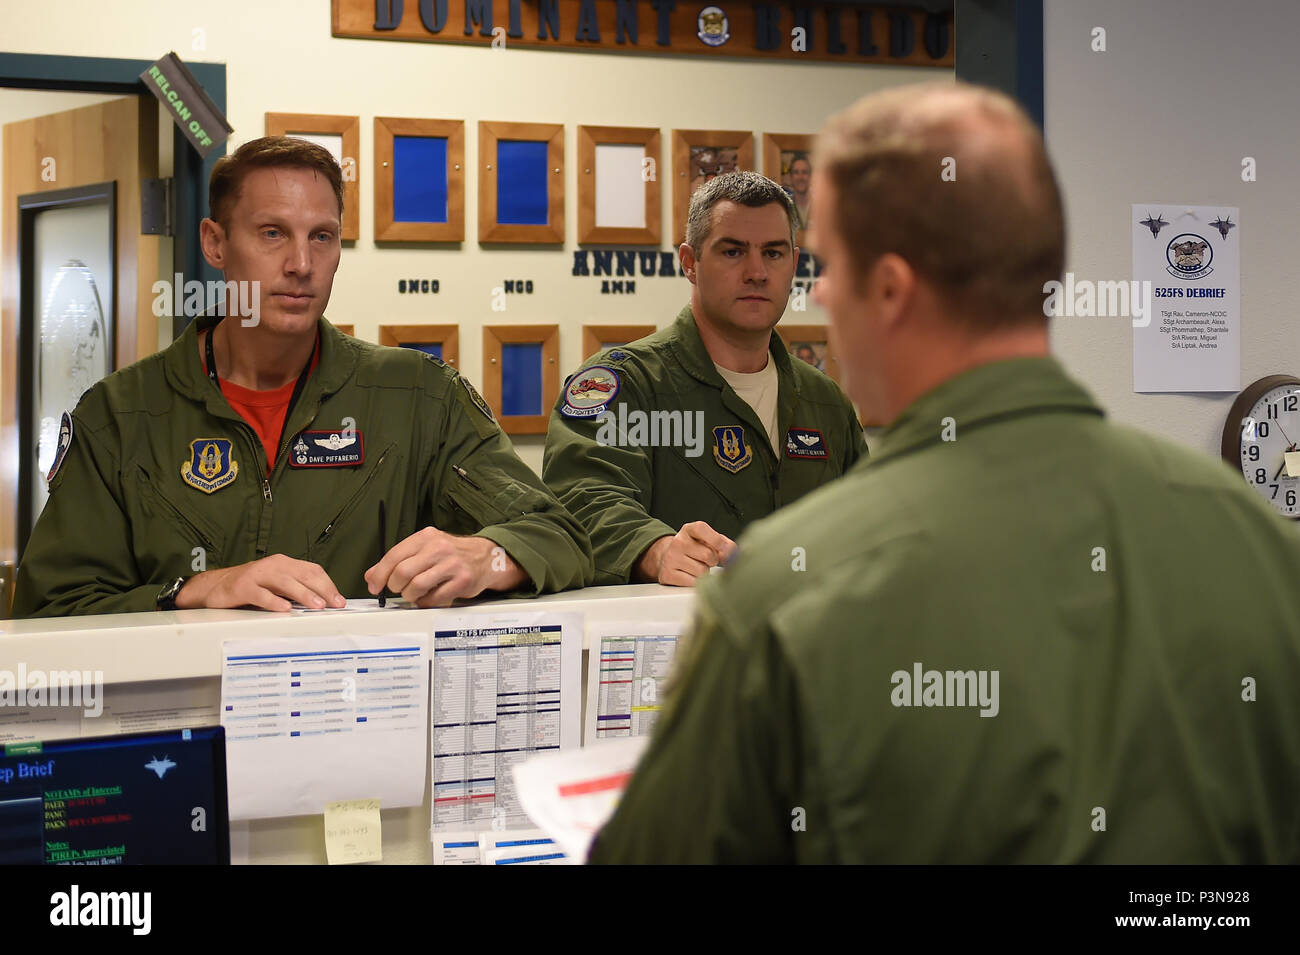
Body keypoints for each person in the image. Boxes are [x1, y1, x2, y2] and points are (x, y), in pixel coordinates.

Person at [589, 82, 1300, 863]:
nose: (814, 289)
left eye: (829, 267)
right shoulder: (1259, 544)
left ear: (888, 290)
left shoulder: (778, 602)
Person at [14, 137, 592, 617]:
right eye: (272, 234)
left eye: (322, 236)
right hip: (189, 739)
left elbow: (561, 538)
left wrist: (487, 556)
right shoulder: (120, 414)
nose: (301, 264)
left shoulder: (419, 396)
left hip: (366, 731)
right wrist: (195, 590)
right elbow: (48, 609)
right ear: (215, 243)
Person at [544, 171, 866, 587]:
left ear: (794, 264)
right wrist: (653, 549)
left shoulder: (825, 401)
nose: (757, 272)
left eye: (773, 253)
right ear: (690, 263)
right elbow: (581, 501)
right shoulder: (626, 385)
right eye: (733, 252)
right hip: (679, 643)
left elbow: (866, 524)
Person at [787, 153, 812, 231]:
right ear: (791, 177)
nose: (800, 177)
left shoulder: (821, 206)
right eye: (796, 172)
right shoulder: (786, 207)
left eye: (804, 172)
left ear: (810, 176)